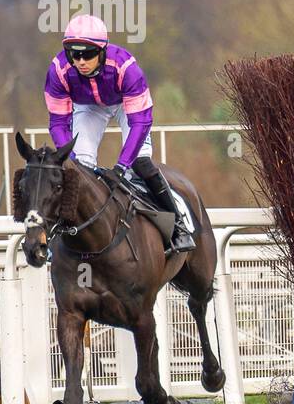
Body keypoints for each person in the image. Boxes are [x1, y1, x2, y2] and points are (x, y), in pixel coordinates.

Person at [43, 14, 195, 252]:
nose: (81, 61)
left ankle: (179, 225)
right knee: (77, 169)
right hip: (88, 107)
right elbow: (58, 124)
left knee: (140, 163)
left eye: (88, 54)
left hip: (127, 106)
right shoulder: (58, 70)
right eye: (75, 53)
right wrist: (71, 161)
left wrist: (121, 167)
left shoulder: (126, 67)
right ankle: (61, 240)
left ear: (102, 51)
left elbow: (140, 122)